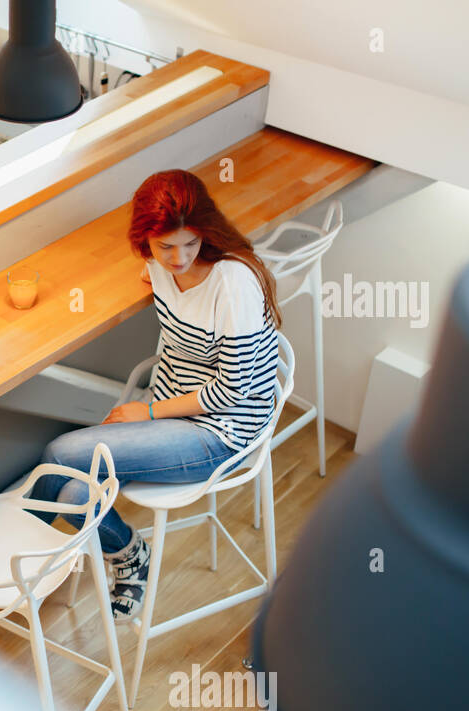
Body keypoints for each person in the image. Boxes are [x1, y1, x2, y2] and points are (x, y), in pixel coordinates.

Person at [30, 168, 283, 620]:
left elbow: (233, 389)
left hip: (222, 428)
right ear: (144, 240)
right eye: (165, 246)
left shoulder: (233, 283)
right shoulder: (157, 264)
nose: (180, 257)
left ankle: (24, 560)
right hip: (171, 406)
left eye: (191, 243)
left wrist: (146, 411)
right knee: (72, 498)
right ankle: (128, 552)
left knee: (59, 452)